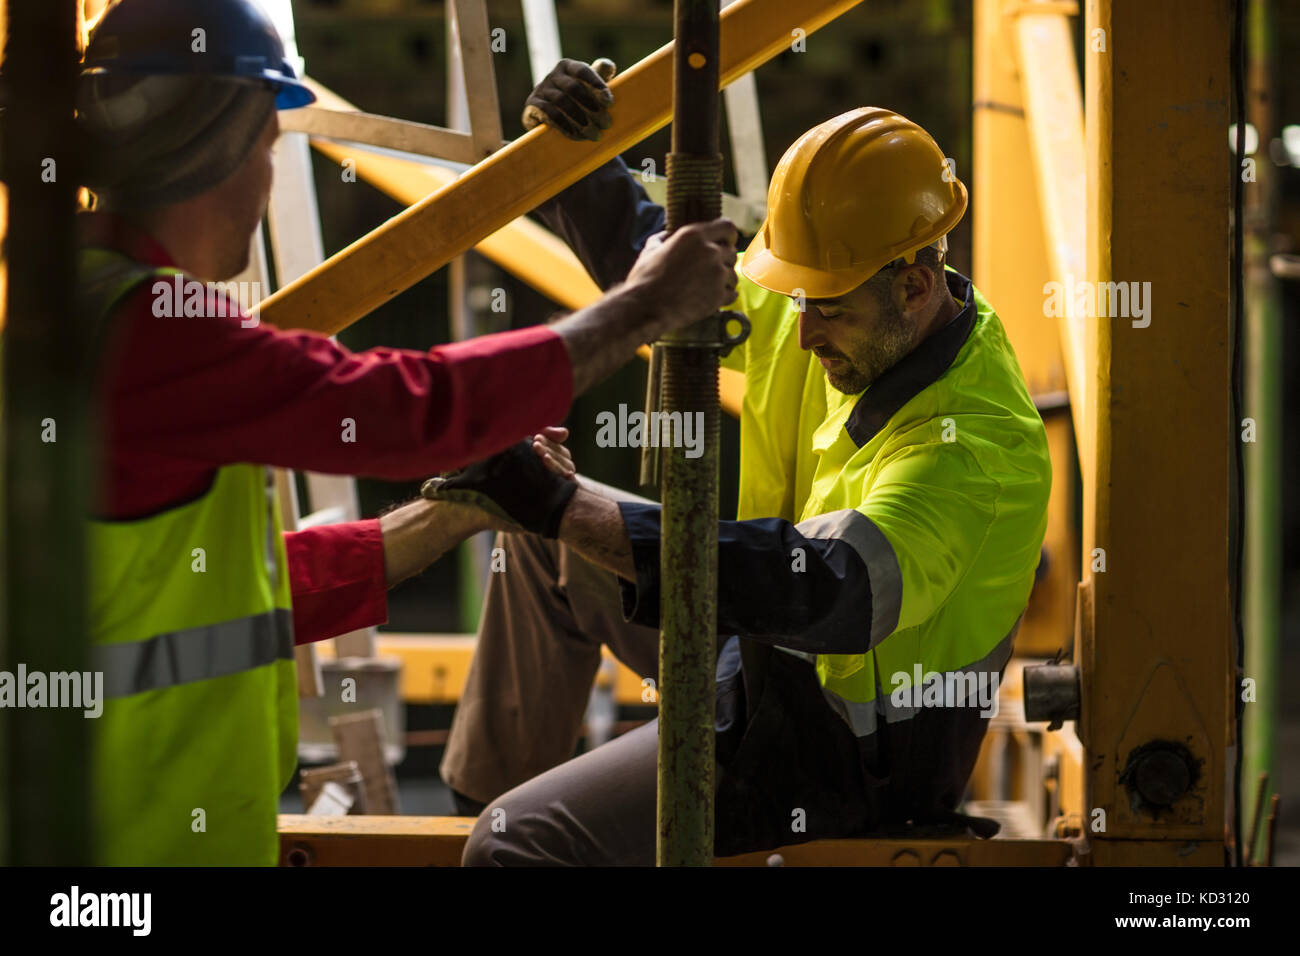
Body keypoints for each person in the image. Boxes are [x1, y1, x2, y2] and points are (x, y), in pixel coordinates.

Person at [67, 7, 736, 865]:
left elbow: (235, 598)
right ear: (218, 138)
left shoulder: (84, 307)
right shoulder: (150, 326)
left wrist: (451, 516)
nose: (269, 178)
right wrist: (641, 308)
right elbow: (401, 408)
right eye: (272, 145)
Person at [420, 60, 1053, 865]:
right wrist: (579, 162)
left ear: (918, 286)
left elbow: (826, 589)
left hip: (837, 760)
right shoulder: (843, 304)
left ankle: (501, 838)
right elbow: (679, 281)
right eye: (797, 303)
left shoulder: (978, 444)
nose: (803, 333)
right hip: (763, 660)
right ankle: (468, 809)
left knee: (516, 845)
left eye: (826, 312)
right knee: (542, 548)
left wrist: (561, 503)